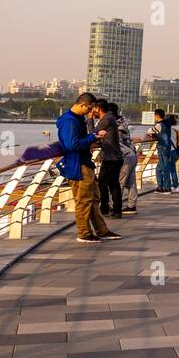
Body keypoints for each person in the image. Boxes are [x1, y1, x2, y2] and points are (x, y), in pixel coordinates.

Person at [57, 92, 119, 244]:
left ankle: (101, 230)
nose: (91, 112)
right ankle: (84, 233)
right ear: (82, 105)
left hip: (85, 163)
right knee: (84, 201)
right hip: (78, 165)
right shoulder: (69, 122)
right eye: (90, 108)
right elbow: (72, 144)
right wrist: (93, 137)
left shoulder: (76, 120)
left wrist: (93, 137)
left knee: (93, 199)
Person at [93, 99, 124, 220]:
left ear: (99, 108)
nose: (93, 111)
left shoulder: (107, 119)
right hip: (113, 157)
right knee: (112, 184)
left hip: (111, 157)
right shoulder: (109, 118)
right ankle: (112, 209)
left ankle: (107, 208)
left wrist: (90, 119)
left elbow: (92, 133)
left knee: (106, 183)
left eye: (94, 108)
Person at [113, 102, 139, 215]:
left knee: (120, 182)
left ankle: (115, 206)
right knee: (131, 182)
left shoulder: (113, 125)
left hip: (124, 155)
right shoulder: (123, 122)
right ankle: (131, 205)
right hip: (132, 152)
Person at [144, 108, 175, 192]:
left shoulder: (159, 125)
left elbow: (149, 131)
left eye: (154, 115)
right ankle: (160, 186)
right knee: (159, 168)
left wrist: (151, 135)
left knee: (164, 168)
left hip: (162, 147)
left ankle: (166, 187)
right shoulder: (167, 124)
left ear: (157, 116)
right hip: (167, 147)